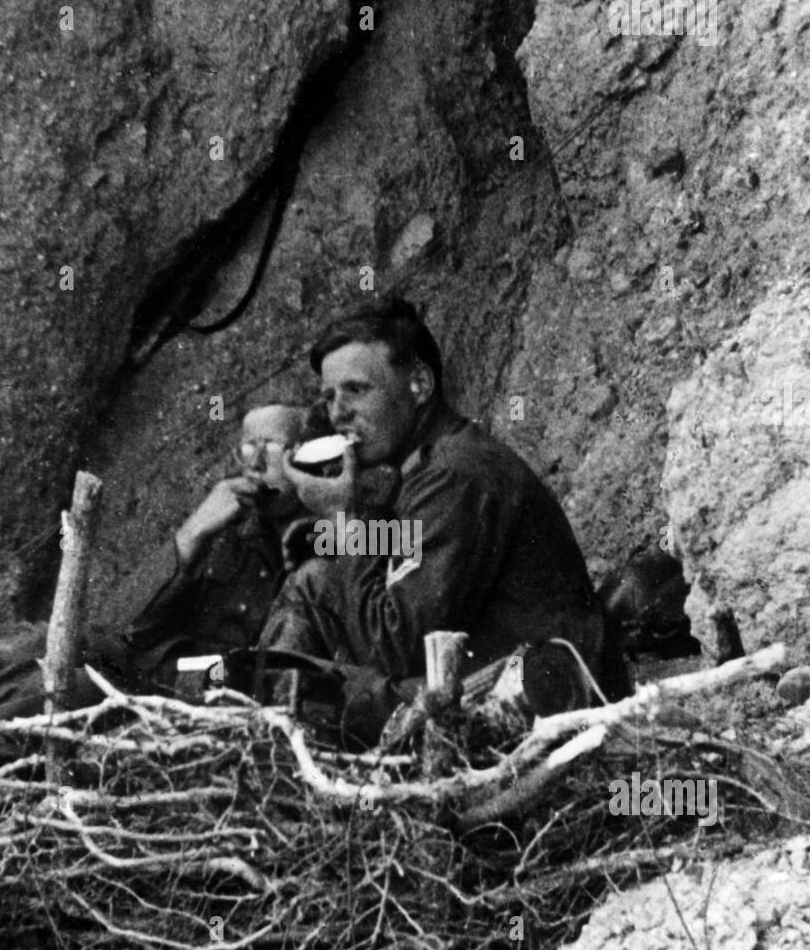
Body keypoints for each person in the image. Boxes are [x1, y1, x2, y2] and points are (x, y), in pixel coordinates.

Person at [259, 297, 606, 738]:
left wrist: (344, 518)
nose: (338, 412)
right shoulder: (429, 465)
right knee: (310, 584)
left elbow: (395, 648)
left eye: (357, 390)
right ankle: (269, 737)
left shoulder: (455, 475)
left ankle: (270, 752)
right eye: (329, 396)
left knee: (303, 688)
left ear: (419, 384)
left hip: (522, 696)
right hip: (476, 672)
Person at [0, 404, 308, 726]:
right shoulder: (231, 534)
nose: (253, 462)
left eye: (272, 444)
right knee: (31, 645)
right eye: (247, 446)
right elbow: (123, 623)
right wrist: (192, 534)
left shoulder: (330, 540)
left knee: (64, 688)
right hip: (150, 668)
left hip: (207, 693)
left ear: (309, 453)